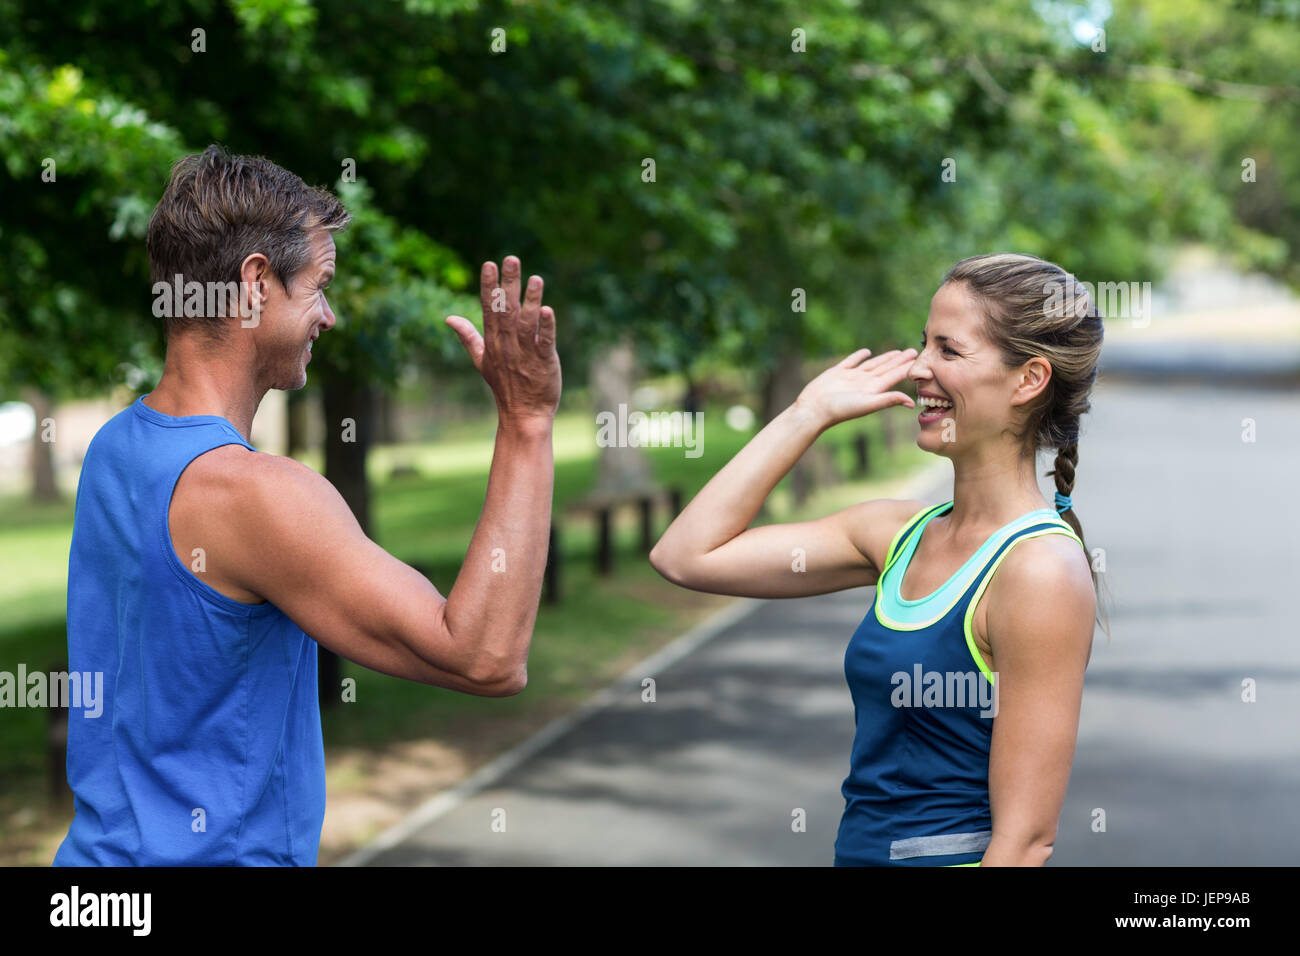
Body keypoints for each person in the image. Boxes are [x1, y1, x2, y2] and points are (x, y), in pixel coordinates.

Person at [52, 145, 561, 866]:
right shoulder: (253, 495)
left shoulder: (117, 448)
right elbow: (485, 656)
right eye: (319, 287)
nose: (329, 316)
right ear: (256, 283)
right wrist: (527, 423)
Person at [649, 252, 1108, 866]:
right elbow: (686, 555)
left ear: (1028, 379)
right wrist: (806, 415)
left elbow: (1024, 845)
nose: (919, 367)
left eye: (949, 349)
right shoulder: (894, 532)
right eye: (923, 344)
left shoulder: (1040, 570)